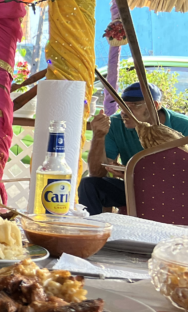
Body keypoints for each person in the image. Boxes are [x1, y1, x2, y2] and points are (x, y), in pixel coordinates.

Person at [80, 82, 188, 214]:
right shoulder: (115, 124)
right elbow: (97, 173)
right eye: (122, 106)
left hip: (177, 190)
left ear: (154, 105)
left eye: (133, 106)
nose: (124, 113)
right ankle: (90, 232)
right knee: (89, 185)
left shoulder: (183, 125)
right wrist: (98, 136)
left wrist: (139, 175)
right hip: (134, 187)